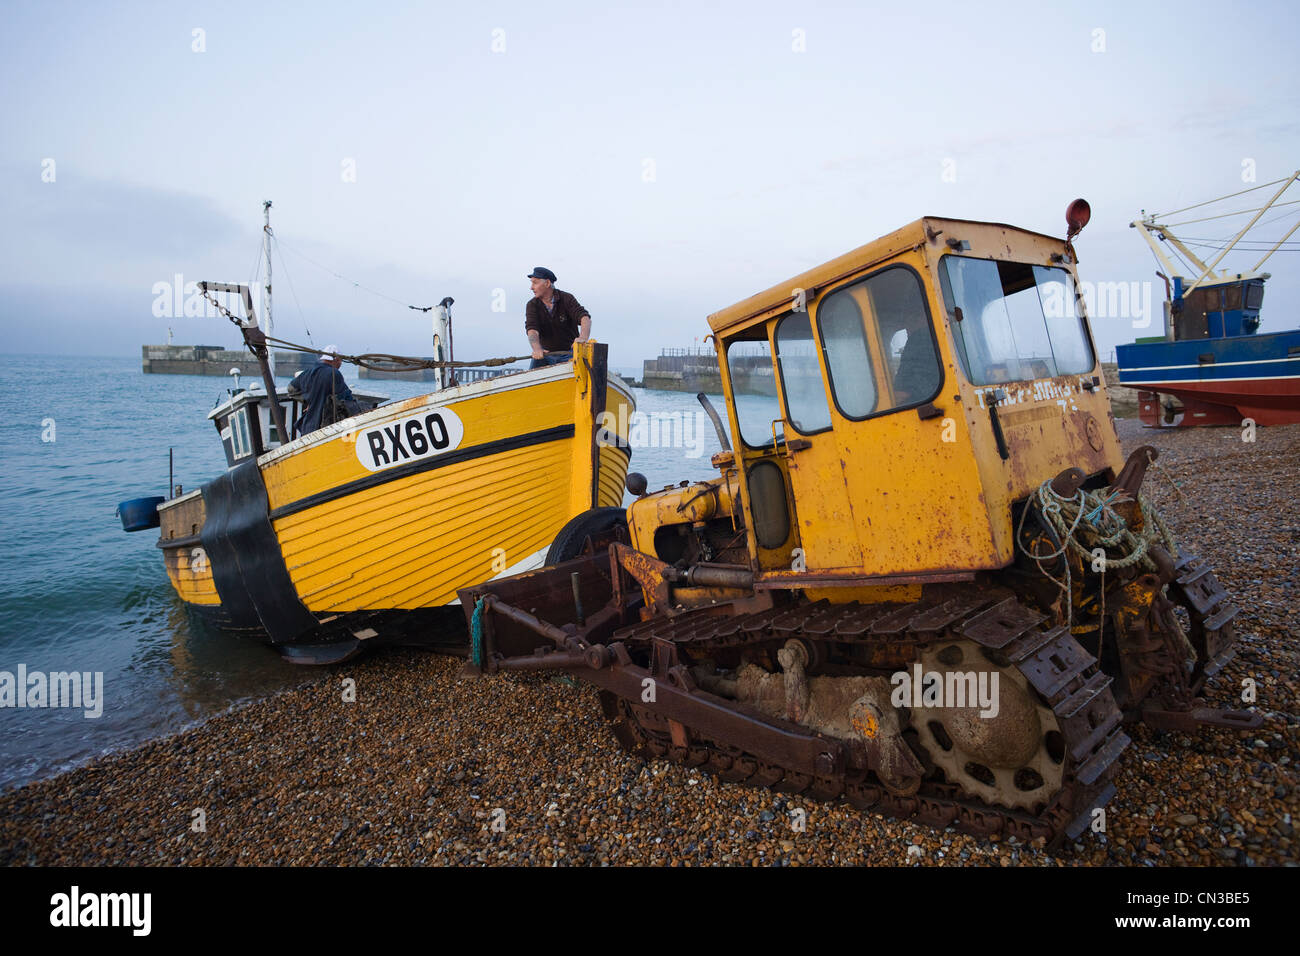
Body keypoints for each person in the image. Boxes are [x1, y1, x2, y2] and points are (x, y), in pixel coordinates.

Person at [524, 266, 590, 369]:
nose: (531, 287)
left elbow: (584, 318)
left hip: (569, 353)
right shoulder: (532, 305)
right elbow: (532, 330)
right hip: (545, 354)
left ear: (547, 283)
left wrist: (583, 338)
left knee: (582, 365)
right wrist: (537, 349)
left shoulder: (566, 298)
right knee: (530, 376)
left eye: (535, 283)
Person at [291, 344, 364, 438]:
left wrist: (307, 400)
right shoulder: (334, 374)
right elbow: (346, 399)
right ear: (336, 359)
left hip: (308, 428)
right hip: (325, 428)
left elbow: (291, 389)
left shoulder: (307, 373)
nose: (340, 364)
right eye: (340, 361)